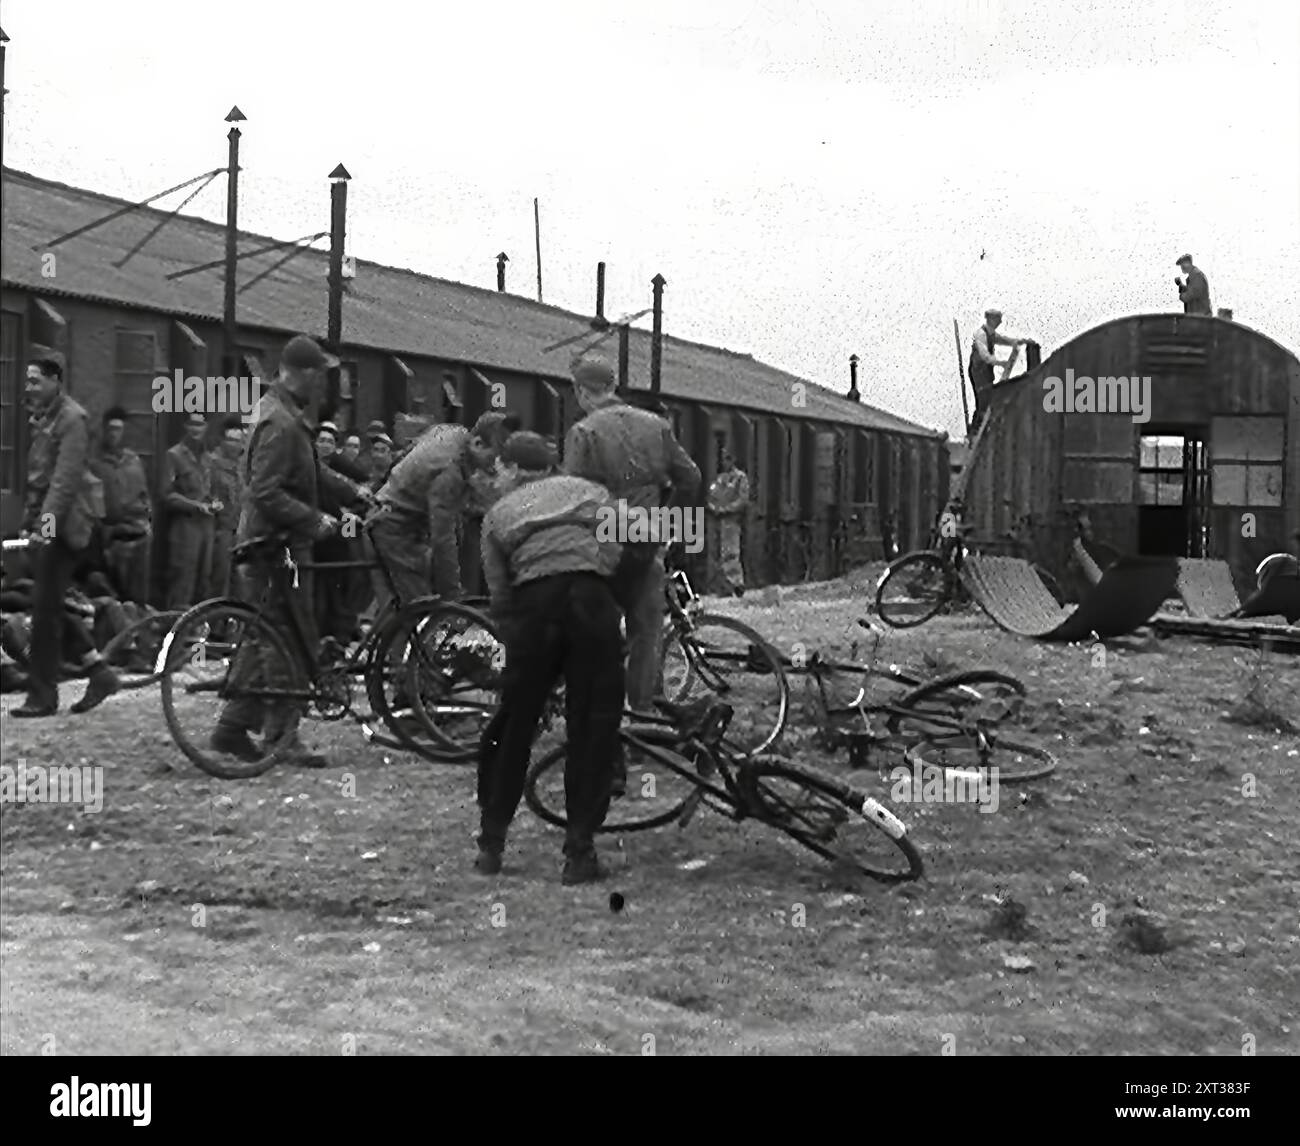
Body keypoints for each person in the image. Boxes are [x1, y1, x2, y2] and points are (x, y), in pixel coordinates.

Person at [475, 432, 625, 884]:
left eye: (498, 470)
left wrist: (518, 641)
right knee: (593, 724)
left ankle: (491, 844)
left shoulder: (497, 515)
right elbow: (616, 548)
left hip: (533, 606)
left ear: (514, 470)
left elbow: (499, 592)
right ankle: (579, 850)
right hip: (590, 599)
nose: (496, 479)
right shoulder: (591, 493)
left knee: (515, 722)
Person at [210, 334, 362, 768]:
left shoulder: (282, 414)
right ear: (306, 374)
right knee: (284, 638)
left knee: (267, 637)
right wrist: (314, 521)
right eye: (322, 375)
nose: (324, 384)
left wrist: (357, 492)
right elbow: (265, 491)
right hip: (273, 548)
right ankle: (282, 735)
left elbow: (313, 471)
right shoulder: (279, 422)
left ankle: (232, 728)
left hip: (274, 545)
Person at [562, 354, 701, 794]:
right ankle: (642, 727)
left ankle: (601, 734)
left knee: (594, 637)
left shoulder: (584, 431)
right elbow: (692, 477)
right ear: (614, 384)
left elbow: (573, 495)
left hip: (604, 542)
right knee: (647, 634)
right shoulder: (655, 426)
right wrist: (666, 522)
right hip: (647, 540)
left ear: (582, 391)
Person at [11, 357, 121, 718]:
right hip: (48, 524)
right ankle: (97, 671)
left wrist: (44, 529)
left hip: (66, 527)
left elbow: (64, 480)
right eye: (27, 381)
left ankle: (42, 697)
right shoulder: (43, 416)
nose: (29, 387)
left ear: (56, 381)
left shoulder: (72, 419)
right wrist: (30, 522)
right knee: (49, 604)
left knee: (44, 612)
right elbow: (39, 477)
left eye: (36, 380)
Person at [367, 412, 515, 610]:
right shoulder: (449, 472)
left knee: (405, 599)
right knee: (420, 607)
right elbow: (442, 536)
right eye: (494, 457)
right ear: (478, 444)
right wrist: (452, 594)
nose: (495, 466)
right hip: (395, 528)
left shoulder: (454, 432)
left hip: (391, 514)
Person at [92, 406, 153, 605]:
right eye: (110, 429)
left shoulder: (133, 461)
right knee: (117, 588)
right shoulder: (95, 463)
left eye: (118, 429)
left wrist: (146, 519)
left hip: (138, 533)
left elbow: (144, 495)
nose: (114, 434)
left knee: (139, 588)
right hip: (110, 535)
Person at [162, 412, 217, 607]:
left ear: (206, 428)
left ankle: (199, 631)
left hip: (207, 527)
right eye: (192, 424)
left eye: (200, 425)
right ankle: (175, 627)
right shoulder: (174, 455)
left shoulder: (209, 458)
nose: (196, 429)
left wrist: (214, 503)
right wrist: (195, 506)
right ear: (186, 426)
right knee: (183, 577)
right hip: (185, 528)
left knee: (204, 578)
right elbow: (167, 495)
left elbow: (209, 491)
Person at [967, 308, 1027, 435]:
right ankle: (974, 432)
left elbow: (1003, 340)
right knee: (983, 401)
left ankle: (981, 430)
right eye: (998, 319)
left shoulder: (991, 334)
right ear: (991, 319)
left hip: (986, 372)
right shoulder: (980, 334)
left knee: (988, 399)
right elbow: (985, 356)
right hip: (978, 371)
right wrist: (1002, 363)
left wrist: (1019, 341)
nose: (1000, 322)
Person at [208, 419, 246, 599]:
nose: (235, 445)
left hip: (238, 531)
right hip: (219, 532)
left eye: (239, 440)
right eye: (231, 440)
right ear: (222, 441)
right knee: (219, 582)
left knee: (238, 585)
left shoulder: (242, 468)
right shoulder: (212, 465)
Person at [707, 449, 750, 596]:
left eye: (728, 459)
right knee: (716, 553)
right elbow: (712, 495)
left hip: (731, 520)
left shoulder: (740, 478)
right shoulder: (720, 478)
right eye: (724, 459)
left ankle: (736, 583)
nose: (725, 462)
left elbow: (742, 499)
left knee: (730, 552)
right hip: (716, 520)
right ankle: (721, 585)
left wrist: (727, 509)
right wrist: (712, 506)